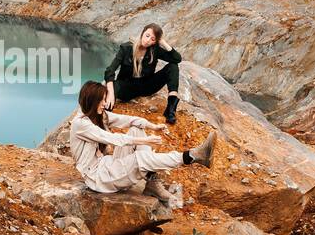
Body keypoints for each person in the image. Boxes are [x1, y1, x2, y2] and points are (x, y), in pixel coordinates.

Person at [68, 80, 215, 205]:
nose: (105, 104)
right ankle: (192, 155)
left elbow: (128, 120)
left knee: (135, 129)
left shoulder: (100, 115)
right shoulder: (80, 124)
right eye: (103, 100)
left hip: (107, 165)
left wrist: (152, 126)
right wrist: (146, 141)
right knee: (141, 158)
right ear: (92, 101)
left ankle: (151, 181)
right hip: (98, 178)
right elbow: (113, 139)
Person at [103, 22, 183, 123]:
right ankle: (105, 116)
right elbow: (110, 70)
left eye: (153, 39)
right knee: (112, 86)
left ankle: (170, 110)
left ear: (155, 42)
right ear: (142, 33)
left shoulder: (155, 50)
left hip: (147, 86)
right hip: (127, 87)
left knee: (173, 67)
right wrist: (110, 92)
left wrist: (163, 42)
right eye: (147, 35)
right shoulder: (126, 48)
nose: (148, 40)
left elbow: (177, 59)